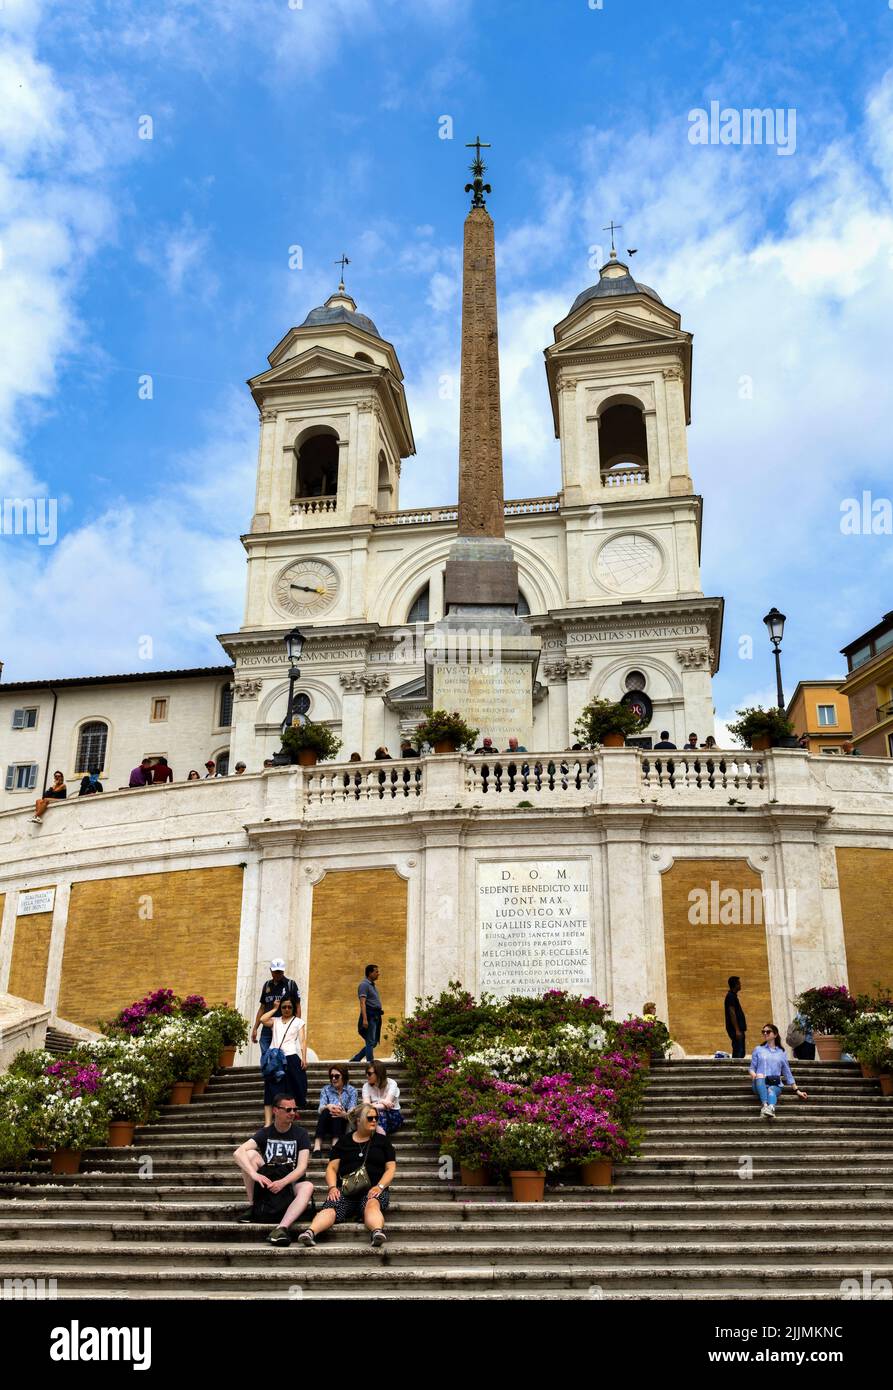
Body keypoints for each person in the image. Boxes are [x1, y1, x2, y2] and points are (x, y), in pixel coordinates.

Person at [296, 1102, 396, 1249]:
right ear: (358, 1121)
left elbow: (391, 1168)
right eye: (370, 1118)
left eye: (376, 1118)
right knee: (331, 1207)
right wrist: (331, 1188)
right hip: (346, 1191)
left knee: (372, 1203)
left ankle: (376, 1232)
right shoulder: (344, 1142)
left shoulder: (383, 1141)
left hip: (373, 1189)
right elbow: (331, 1168)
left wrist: (380, 1187)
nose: (374, 1121)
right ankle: (310, 1233)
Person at [232, 1094, 314, 1245]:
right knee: (249, 1155)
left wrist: (283, 1182)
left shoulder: (301, 1134)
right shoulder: (266, 1132)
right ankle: (254, 1206)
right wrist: (254, 1174)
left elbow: (302, 1167)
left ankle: (282, 1228)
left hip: (290, 1182)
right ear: (276, 1110)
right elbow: (238, 1152)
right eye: (288, 1109)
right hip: (268, 1179)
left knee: (308, 1186)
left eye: (294, 1109)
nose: (292, 1113)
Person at [259, 996, 307, 1124]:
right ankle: (268, 1123)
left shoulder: (298, 1022)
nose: (286, 1009)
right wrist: (274, 1008)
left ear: (293, 1008)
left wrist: (304, 1057)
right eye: (284, 1007)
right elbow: (262, 1019)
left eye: (289, 1007)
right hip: (275, 1060)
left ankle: (291, 1115)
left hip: (291, 1057)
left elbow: (303, 1041)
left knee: (295, 1086)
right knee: (270, 1090)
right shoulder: (275, 1020)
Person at [749, 1024, 808, 1118]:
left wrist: (797, 1090)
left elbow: (787, 1072)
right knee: (760, 1075)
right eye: (763, 1031)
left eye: (768, 1032)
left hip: (774, 1084)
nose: (765, 1033)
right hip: (759, 1083)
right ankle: (764, 1106)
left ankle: (771, 1108)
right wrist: (754, 1075)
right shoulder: (758, 1049)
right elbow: (752, 1068)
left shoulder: (781, 1052)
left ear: (775, 1035)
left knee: (771, 1089)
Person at [252, 959, 302, 1059]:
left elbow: (297, 1006)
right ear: (271, 970)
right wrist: (255, 1028)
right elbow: (262, 1008)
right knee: (266, 1057)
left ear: (283, 971)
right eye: (276, 971)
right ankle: (269, 1074)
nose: (278, 974)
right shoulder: (267, 985)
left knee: (282, 1057)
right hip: (267, 1026)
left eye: (280, 971)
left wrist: (295, 1027)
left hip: (283, 1027)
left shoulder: (290, 985)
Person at [313, 1066, 358, 1155]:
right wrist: (328, 1106)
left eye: (337, 1076)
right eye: (331, 1076)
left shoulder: (352, 1091)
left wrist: (342, 1114)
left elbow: (352, 1112)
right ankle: (317, 1147)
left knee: (337, 1111)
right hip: (327, 1121)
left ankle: (335, 1145)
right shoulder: (326, 1089)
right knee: (327, 1110)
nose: (333, 1078)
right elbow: (320, 1108)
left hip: (343, 1122)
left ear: (343, 1076)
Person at [350, 964, 383, 1064]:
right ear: (370, 973)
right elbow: (362, 1003)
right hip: (370, 1016)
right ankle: (370, 1063)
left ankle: (356, 1059)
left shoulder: (372, 985)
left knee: (372, 1042)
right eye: (376, 972)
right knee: (370, 1041)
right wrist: (365, 1019)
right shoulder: (364, 985)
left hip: (376, 1016)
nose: (378, 973)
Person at [362, 1060, 403, 1135]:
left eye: (369, 1073)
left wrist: (380, 1101)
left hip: (393, 1117)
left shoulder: (392, 1084)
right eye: (366, 1073)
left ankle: (380, 1140)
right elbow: (366, 1106)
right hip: (374, 1117)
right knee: (374, 1114)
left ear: (379, 1074)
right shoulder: (366, 1086)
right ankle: (380, 1138)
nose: (367, 1076)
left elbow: (385, 1106)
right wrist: (382, 1101)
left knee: (380, 1112)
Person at [724, 976, 747, 1058]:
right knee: (739, 1051)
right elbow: (732, 1012)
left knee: (740, 1050)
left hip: (738, 1029)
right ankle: (736, 1069)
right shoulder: (730, 996)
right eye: (739, 983)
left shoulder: (733, 996)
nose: (740, 985)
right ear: (736, 985)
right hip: (736, 1030)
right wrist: (737, 1030)